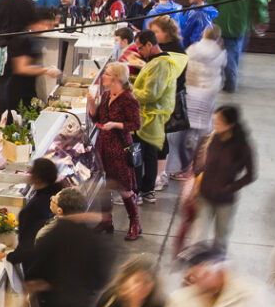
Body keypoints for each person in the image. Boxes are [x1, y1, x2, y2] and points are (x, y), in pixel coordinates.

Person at [186, 106, 256, 251]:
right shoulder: (210, 139)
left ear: (230, 125)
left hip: (225, 203)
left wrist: (230, 188)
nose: (214, 124)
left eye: (218, 122)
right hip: (204, 197)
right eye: (214, 120)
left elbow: (250, 175)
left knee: (220, 241)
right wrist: (196, 178)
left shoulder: (242, 147)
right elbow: (197, 160)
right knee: (197, 239)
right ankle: (194, 270)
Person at [90, 62, 143, 240]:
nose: (103, 76)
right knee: (104, 186)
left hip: (119, 147)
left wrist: (115, 125)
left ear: (116, 78)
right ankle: (106, 220)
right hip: (103, 145)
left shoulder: (128, 99)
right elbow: (97, 118)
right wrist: (91, 105)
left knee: (124, 187)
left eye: (107, 73)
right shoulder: (105, 95)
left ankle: (135, 223)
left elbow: (135, 124)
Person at [131, 30, 186, 199]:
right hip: (153, 116)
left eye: (140, 48)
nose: (139, 52)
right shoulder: (158, 62)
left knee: (139, 154)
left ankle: (138, 191)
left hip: (149, 117)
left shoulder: (160, 64)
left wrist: (129, 90)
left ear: (149, 44)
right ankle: (147, 190)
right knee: (150, 154)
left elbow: (150, 94)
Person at [208, 0, 267, 91]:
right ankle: (231, 79)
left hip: (224, 23)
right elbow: (260, 2)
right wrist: (262, 19)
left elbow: (211, 0)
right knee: (235, 52)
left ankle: (230, 80)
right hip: (243, 25)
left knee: (229, 52)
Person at [177, 22, 224, 181]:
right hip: (209, 94)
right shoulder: (220, 52)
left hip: (192, 92)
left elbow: (184, 67)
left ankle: (185, 168)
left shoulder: (193, 49)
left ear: (204, 34)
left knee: (186, 132)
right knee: (204, 132)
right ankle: (200, 167)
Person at [0, 12, 60, 117]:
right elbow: (21, 68)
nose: (48, 28)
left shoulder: (35, 39)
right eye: (46, 24)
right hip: (17, 91)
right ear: (36, 23)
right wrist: (46, 70)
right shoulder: (22, 40)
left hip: (29, 89)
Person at [15, 157, 61, 253]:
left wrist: (10, 257)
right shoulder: (57, 195)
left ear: (38, 178)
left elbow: (28, 243)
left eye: (32, 172)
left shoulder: (36, 207)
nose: (29, 175)